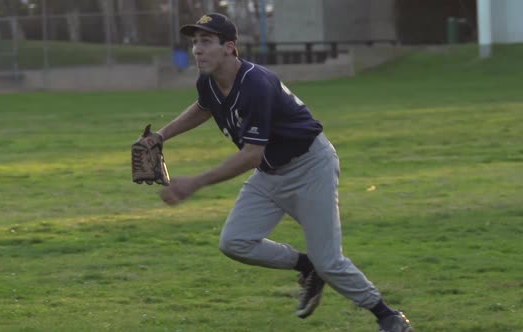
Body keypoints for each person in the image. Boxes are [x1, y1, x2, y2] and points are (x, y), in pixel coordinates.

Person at [148, 13, 414, 332]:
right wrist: (160, 135)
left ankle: (387, 315)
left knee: (329, 261)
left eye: (206, 41)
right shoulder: (208, 80)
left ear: (230, 47)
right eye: (195, 43)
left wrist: (195, 182)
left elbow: (251, 155)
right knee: (235, 241)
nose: (197, 50)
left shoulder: (257, 83)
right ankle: (305, 266)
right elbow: (204, 106)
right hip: (271, 172)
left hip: (310, 166)